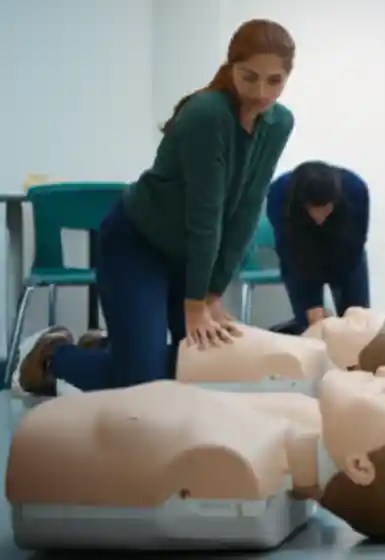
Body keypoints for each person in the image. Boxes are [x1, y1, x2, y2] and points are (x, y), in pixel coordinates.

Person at [16, 20, 295, 396]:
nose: (261, 92)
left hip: (187, 257)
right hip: (137, 245)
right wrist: (195, 305)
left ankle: (108, 351)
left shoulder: (279, 123)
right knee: (143, 383)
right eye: (250, 77)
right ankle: (52, 356)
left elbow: (247, 208)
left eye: (274, 81)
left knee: (201, 368)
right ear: (231, 68)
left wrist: (212, 294)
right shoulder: (208, 115)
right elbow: (206, 214)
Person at [265, 161, 370, 335]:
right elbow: (290, 251)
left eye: (326, 209)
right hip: (298, 254)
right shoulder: (280, 194)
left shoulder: (355, 190)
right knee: (310, 326)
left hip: (345, 253)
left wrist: (348, 312)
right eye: (314, 210)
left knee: (358, 325)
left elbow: (355, 247)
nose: (320, 218)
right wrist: (312, 305)